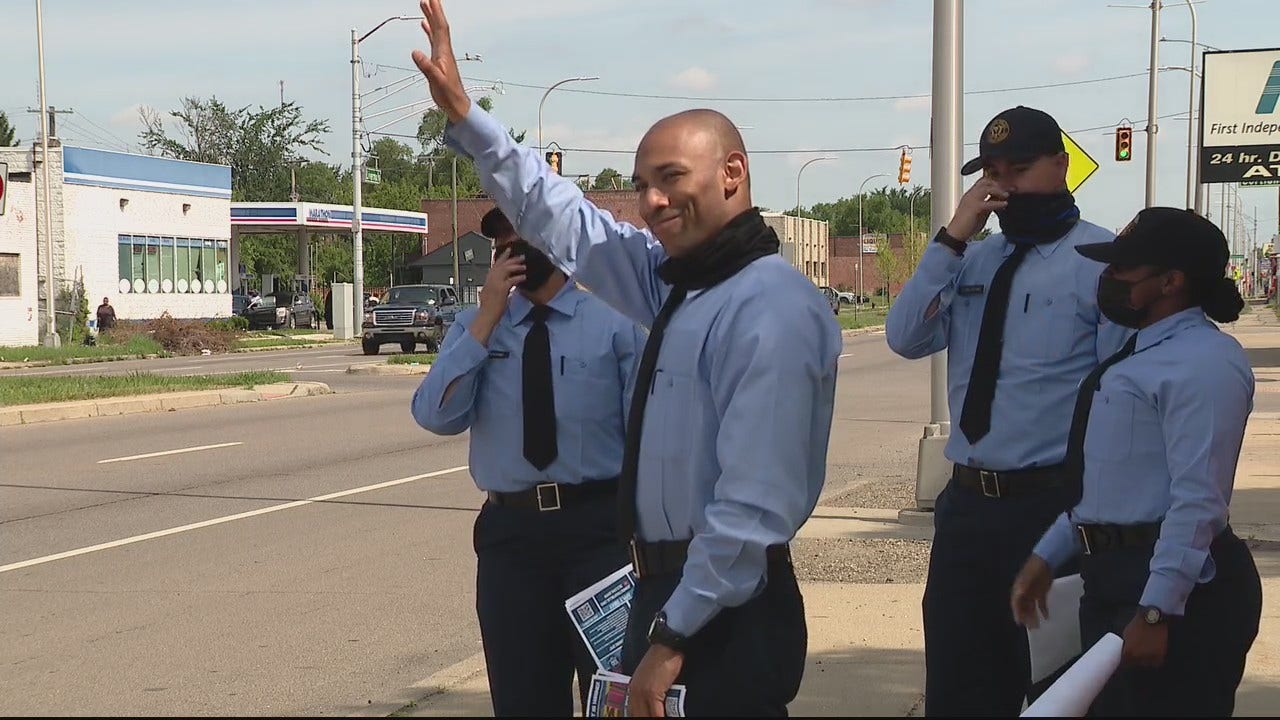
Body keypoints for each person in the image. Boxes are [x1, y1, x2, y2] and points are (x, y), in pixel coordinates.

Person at [411, 2, 842, 715]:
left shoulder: (769, 306)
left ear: (734, 171)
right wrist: (467, 117)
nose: (651, 201)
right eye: (642, 185)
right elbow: (565, 216)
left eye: (671, 177)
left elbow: (753, 504)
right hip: (663, 591)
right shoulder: (678, 286)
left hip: (721, 610)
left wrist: (672, 637)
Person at [884, 105, 1131, 716]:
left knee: (1055, 693)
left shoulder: (1101, 260)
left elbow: (1117, 401)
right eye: (991, 172)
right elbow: (905, 336)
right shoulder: (973, 259)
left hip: (1050, 510)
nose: (1004, 187)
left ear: (1062, 166)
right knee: (960, 687)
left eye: (1019, 169)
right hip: (968, 511)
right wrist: (952, 236)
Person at [1011, 207, 1262, 717]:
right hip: (1113, 580)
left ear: (1171, 281)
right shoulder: (1136, 356)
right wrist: (1048, 555)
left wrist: (1157, 610)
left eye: (1123, 268)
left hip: (1180, 592)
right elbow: (1108, 485)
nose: (1109, 280)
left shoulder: (1204, 363)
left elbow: (1198, 501)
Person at [411, 206, 645, 717]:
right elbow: (435, 415)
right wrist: (488, 317)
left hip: (599, 535)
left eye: (524, 235)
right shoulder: (475, 328)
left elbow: (645, 442)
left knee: (615, 699)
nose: (511, 247)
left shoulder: (614, 326)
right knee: (523, 700)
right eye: (502, 241)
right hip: (512, 539)